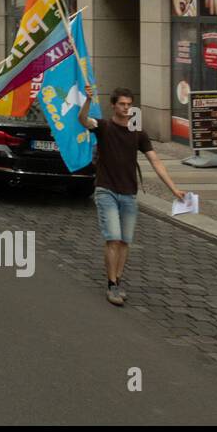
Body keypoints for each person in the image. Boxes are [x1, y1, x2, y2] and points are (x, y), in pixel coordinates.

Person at [78, 85, 185, 307]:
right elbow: (83, 120)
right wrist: (87, 100)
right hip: (106, 190)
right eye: (122, 104)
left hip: (129, 194)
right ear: (113, 105)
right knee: (113, 238)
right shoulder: (104, 126)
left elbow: (156, 162)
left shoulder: (138, 134)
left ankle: (118, 279)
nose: (126, 108)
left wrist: (174, 189)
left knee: (125, 241)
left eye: (129, 105)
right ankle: (111, 284)